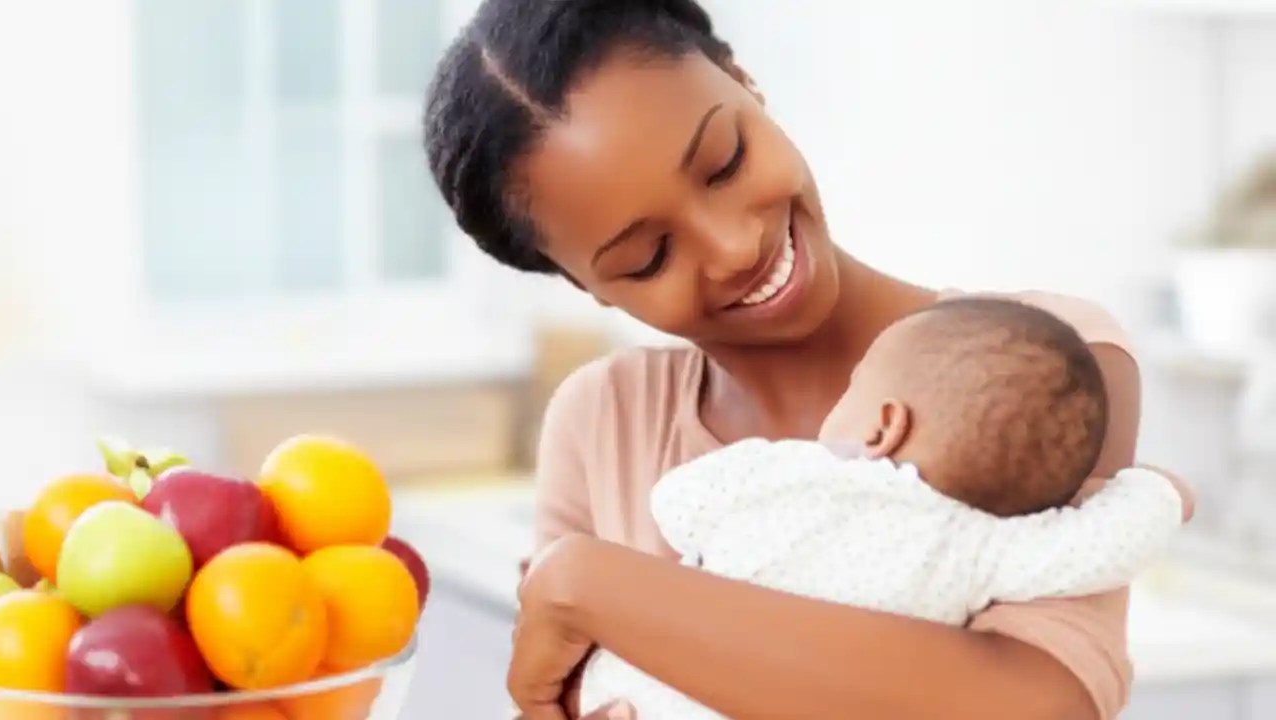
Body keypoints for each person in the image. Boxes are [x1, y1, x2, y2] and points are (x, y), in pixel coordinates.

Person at [421, 1, 1196, 717]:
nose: (734, 246)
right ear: (584, 285)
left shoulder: (1043, 359)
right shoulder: (602, 419)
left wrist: (590, 585)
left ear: (742, 81)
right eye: (650, 256)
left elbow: (1032, 703)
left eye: (724, 162)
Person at [576, 297, 1186, 718]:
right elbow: (1105, 543)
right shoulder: (980, 546)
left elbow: (674, 503)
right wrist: (1160, 491)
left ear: (882, 427)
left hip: (646, 691)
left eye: (854, 389)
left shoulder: (786, 473)